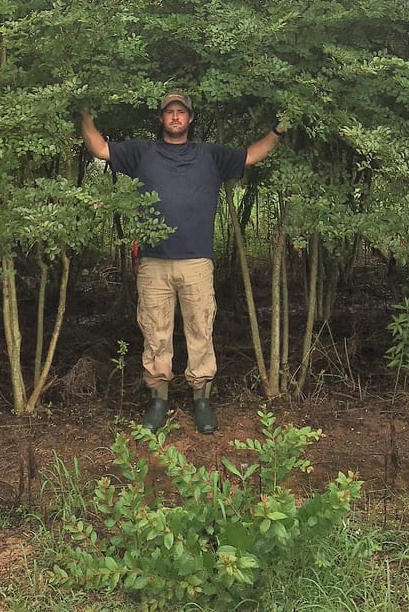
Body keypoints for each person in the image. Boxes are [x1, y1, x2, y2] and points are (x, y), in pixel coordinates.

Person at [81, 92, 285, 434]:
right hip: (153, 262)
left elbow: (251, 155)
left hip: (197, 262)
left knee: (200, 331)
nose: (175, 117)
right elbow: (100, 149)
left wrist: (278, 131)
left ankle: (201, 400)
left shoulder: (210, 155)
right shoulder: (142, 152)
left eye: (181, 112)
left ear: (190, 118)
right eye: (169, 112)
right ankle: (158, 400)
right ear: (161, 118)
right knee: (155, 331)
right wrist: (84, 114)